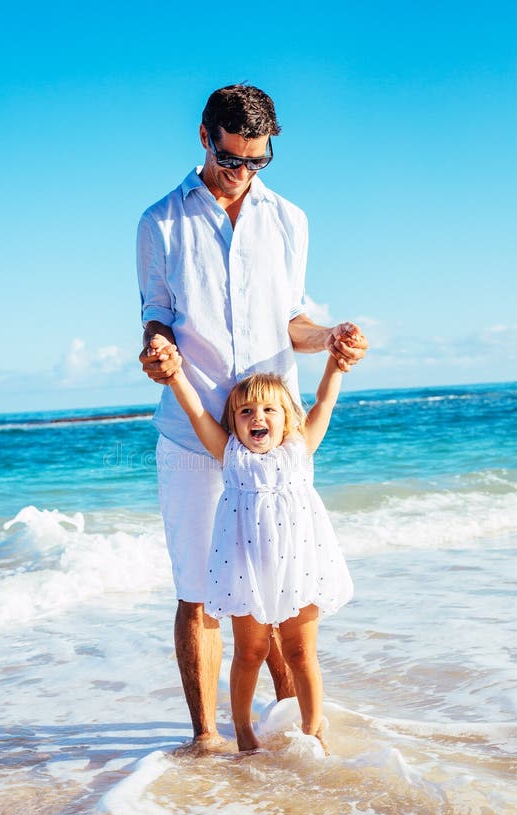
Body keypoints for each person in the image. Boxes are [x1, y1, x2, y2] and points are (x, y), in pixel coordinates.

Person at [137, 83, 367, 747]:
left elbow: (292, 318)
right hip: (194, 431)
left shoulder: (289, 219)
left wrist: (331, 339)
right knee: (200, 590)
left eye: (259, 162)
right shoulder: (160, 221)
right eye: (235, 159)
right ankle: (208, 737)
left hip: (273, 435)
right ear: (206, 139)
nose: (244, 174)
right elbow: (157, 313)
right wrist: (157, 345)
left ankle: (292, 731)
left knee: (280, 581)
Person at [148, 334, 352, 752]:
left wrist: (335, 365)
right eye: (245, 411)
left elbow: (324, 404)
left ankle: (313, 731)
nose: (256, 417)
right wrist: (174, 377)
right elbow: (194, 410)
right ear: (235, 421)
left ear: (286, 419)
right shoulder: (229, 454)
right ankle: (243, 732)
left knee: (300, 653)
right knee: (250, 653)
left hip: (300, 568)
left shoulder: (300, 449)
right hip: (246, 572)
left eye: (268, 410)